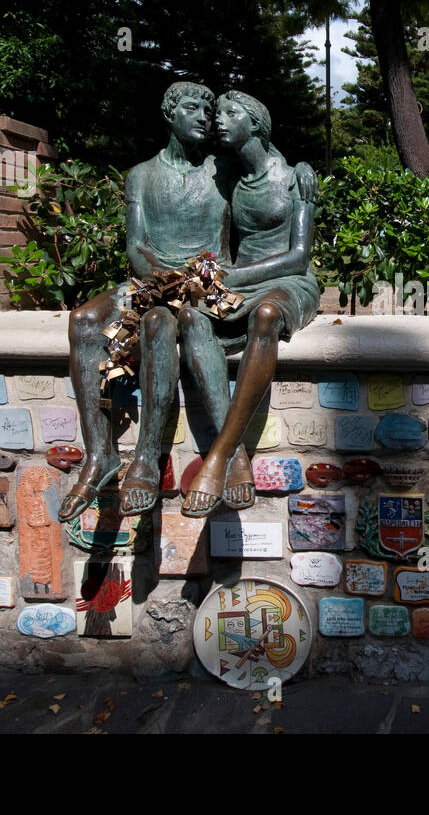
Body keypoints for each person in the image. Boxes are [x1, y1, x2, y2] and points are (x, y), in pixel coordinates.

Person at [59, 81, 315, 520]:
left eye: (209, 110)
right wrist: (161, 277)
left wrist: (303, 167)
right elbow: (136, 246)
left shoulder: (223, 170)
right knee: (83, 320)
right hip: (154, 278)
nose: (205, 118)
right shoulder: (140, 175)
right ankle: (100, 456)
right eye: (193, 108)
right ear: (169, 114)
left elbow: (267, 166)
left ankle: (157, 458)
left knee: (161, 324)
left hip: (204, 284)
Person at [182, 91, 320, 516]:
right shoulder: (230, 178)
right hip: (240, 283)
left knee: (265, 317)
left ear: (256, 123)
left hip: (289, 283)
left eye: (229, 113)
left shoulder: (295, 176)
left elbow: (300, 255)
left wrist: (232, 278)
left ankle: (220, 455)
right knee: (190, 317)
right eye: (216, 113)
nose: (217, 120)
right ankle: (236, 452)